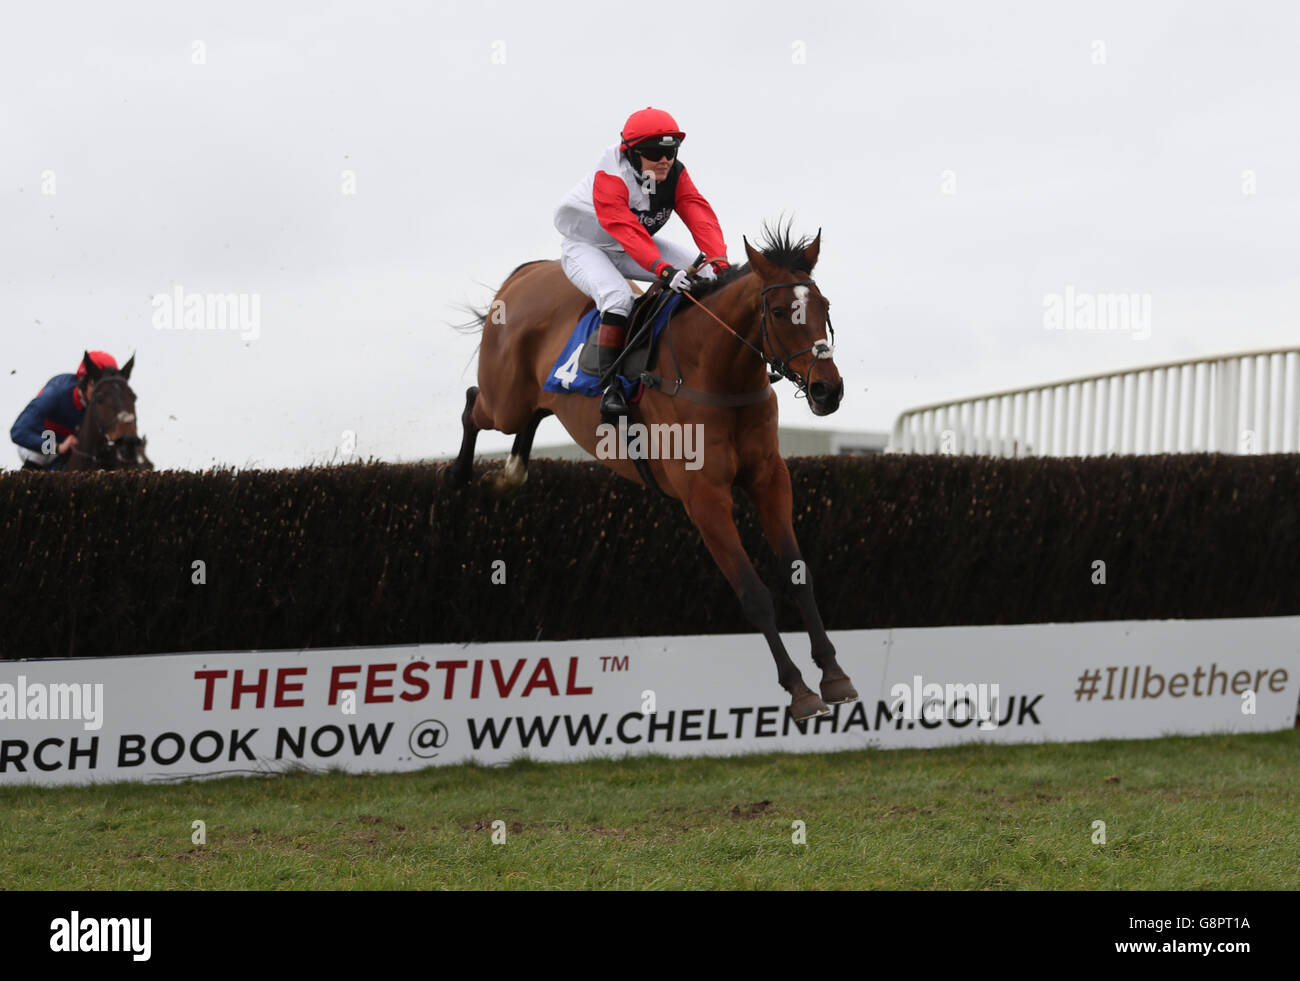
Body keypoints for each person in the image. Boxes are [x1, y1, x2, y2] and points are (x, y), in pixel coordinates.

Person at [553, 107, 729, 416]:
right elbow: (627, 229)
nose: (664, 160)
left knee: (711, 277)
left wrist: (720, 262)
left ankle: (725, 364)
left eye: (670, 151)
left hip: (628, 245)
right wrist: (662, 270)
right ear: (631, 153)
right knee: (618, 298)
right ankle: (610, 388)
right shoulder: (611, 175)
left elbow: (699, 215)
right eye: (652, 152)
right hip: (586, 248)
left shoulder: (674, 174)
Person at [10, 351, 118, 470]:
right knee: (38, 457)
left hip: (69, 451)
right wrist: (57, 447)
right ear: (83, 381)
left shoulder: (103, 406)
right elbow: (18, 431)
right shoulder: (56, 394)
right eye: (95, 384)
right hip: (39, 443)